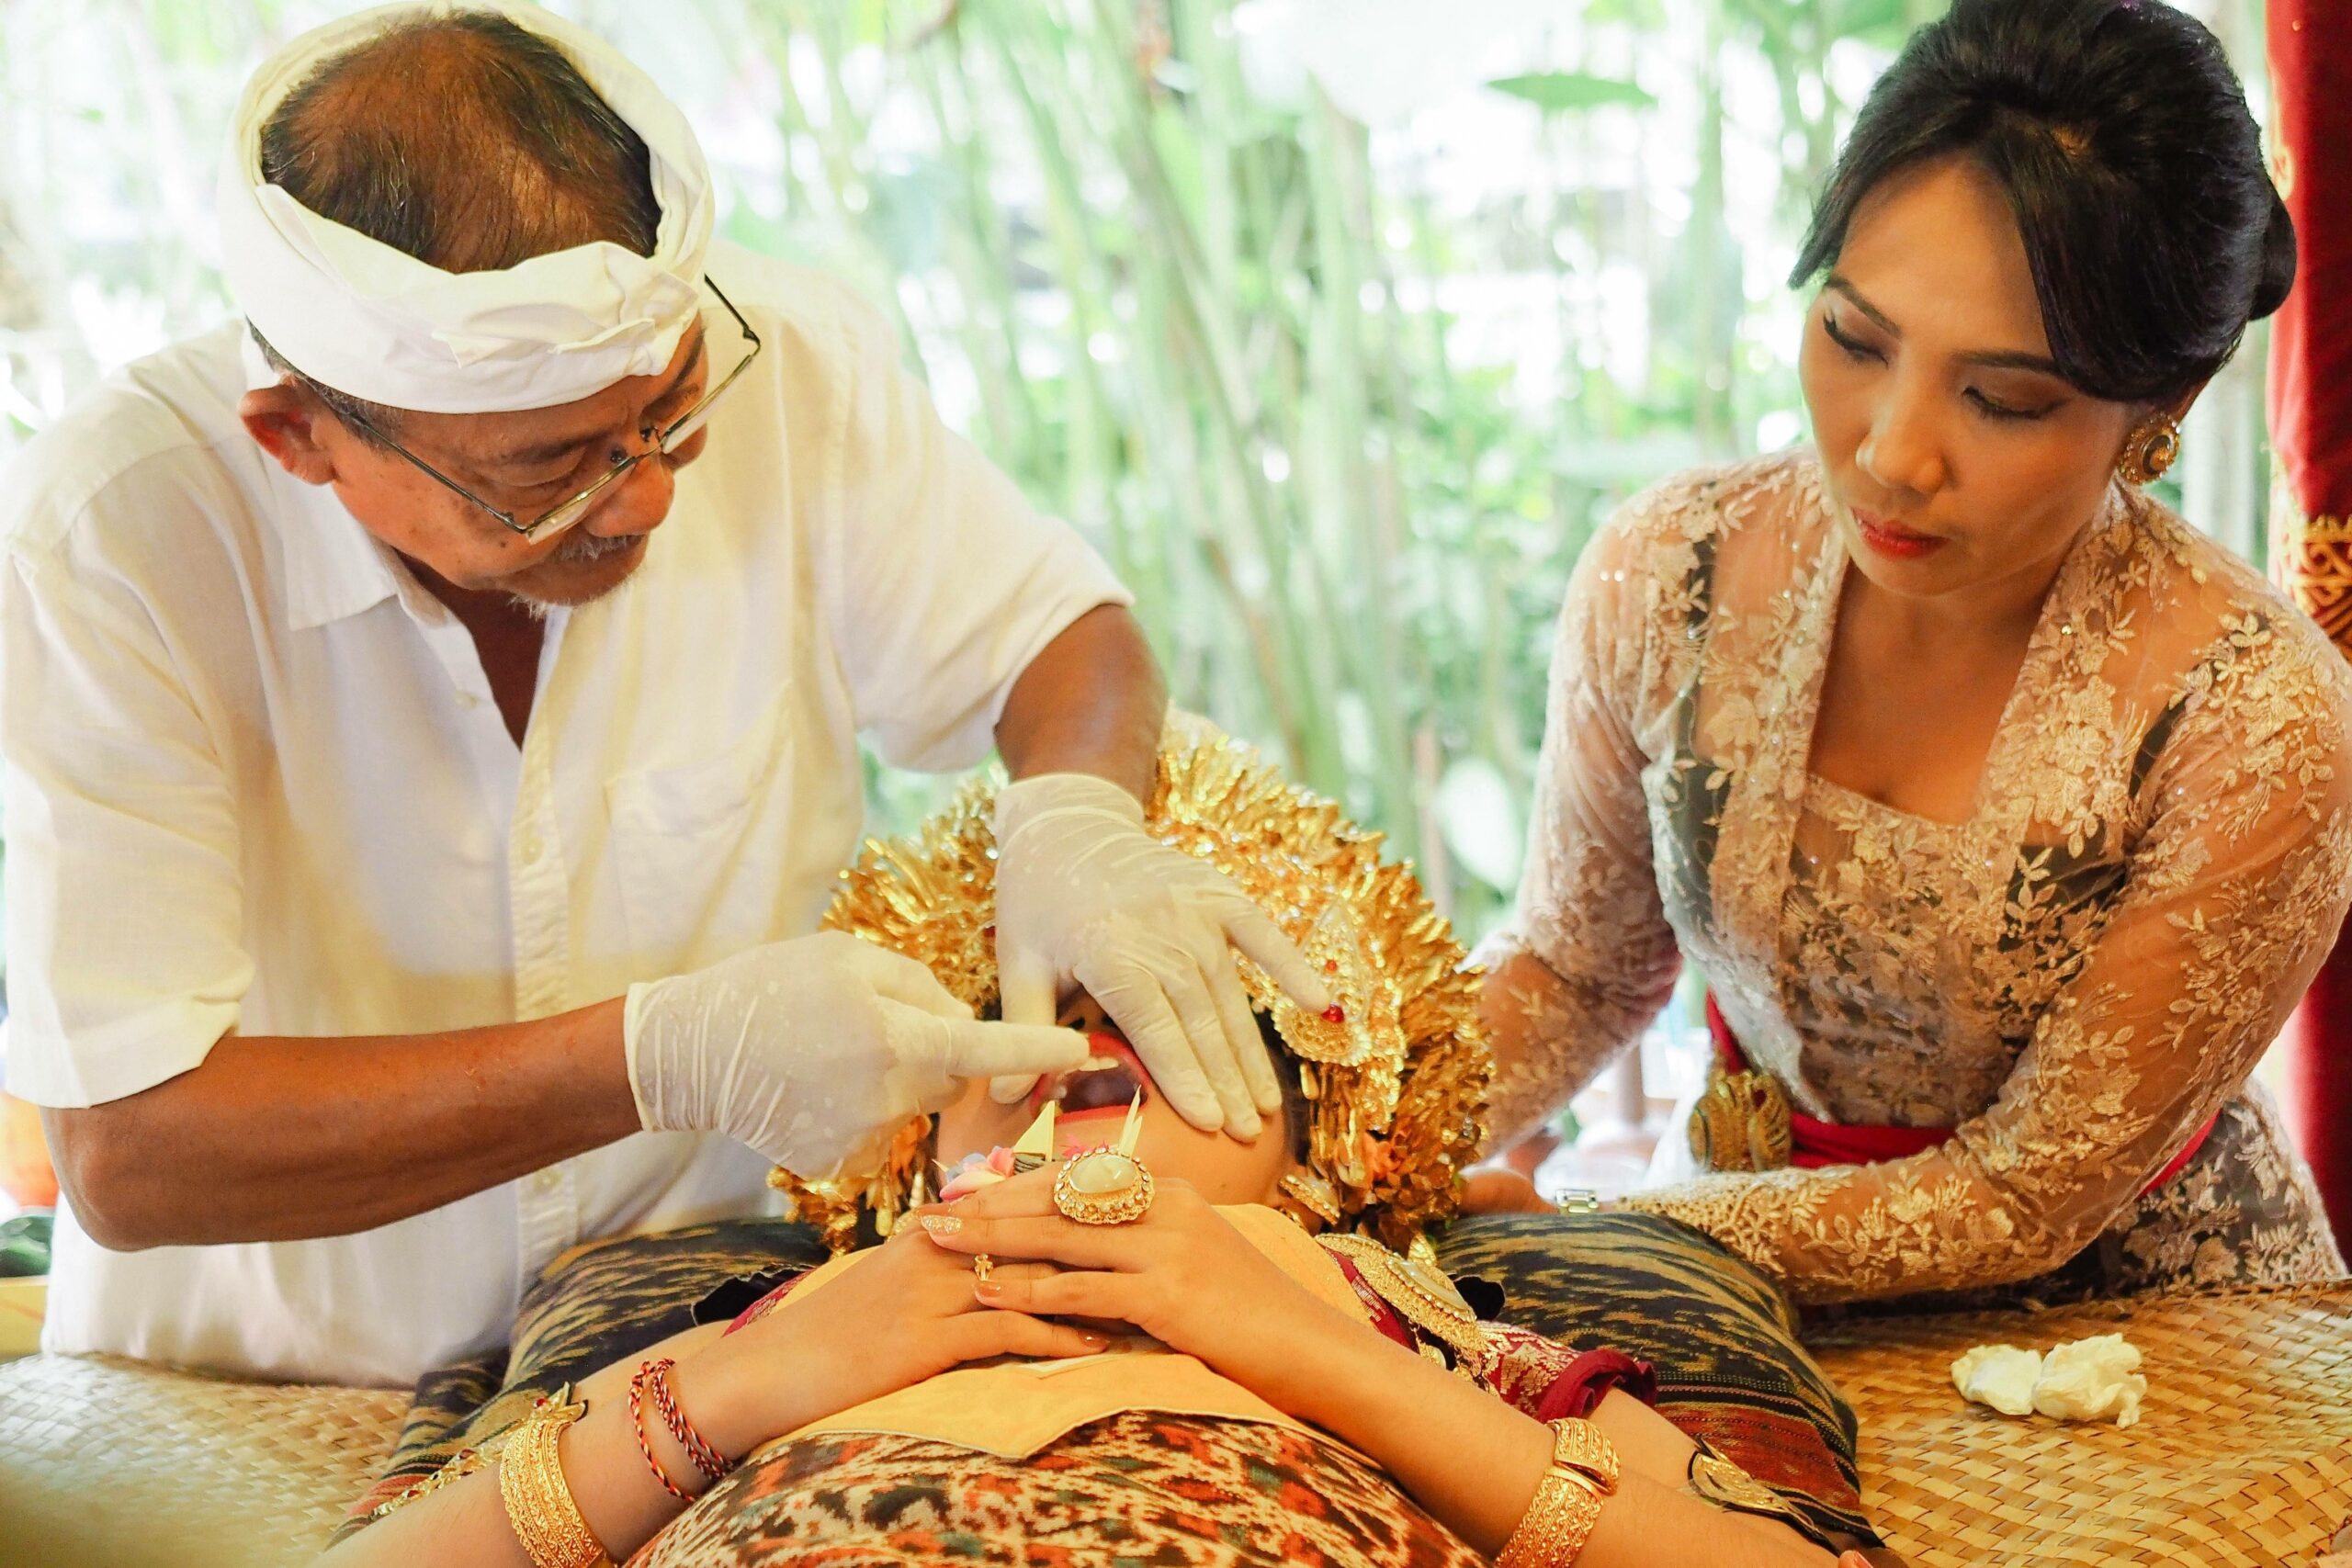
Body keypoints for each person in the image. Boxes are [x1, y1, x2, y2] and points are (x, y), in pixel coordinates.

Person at [0, 3, 1326, 1387]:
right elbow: (129, 1151)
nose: (643, 492)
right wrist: (662, 1058)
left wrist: (1075, 818)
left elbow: (1059, 636)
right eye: (550, 468)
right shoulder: (111, 537)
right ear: (304, 438)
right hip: (262, 1391)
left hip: (696, 1347)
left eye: (676, 410)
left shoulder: (794, 360)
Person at [319, 728, 1890, 1568]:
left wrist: (1312, 1346)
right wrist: (755, 1379)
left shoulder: (1395, 1313)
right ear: (905, 1159)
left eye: (1208, 1024)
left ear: (1325, 1154)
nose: (1087, 1038)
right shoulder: (775, 1326)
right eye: (1005, 1025)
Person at [1476, 0, 2352, 1307]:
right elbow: (1574, 968)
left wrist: (1594, 1236)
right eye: (1852, 339)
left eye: (2002, 399)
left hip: (2135, 1329)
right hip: (1736, 1243)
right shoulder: (1674, 573)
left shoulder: (2255, 720)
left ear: (2159, 408)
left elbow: (2026, 1197)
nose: (1892, 452)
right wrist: (1333, 1129)